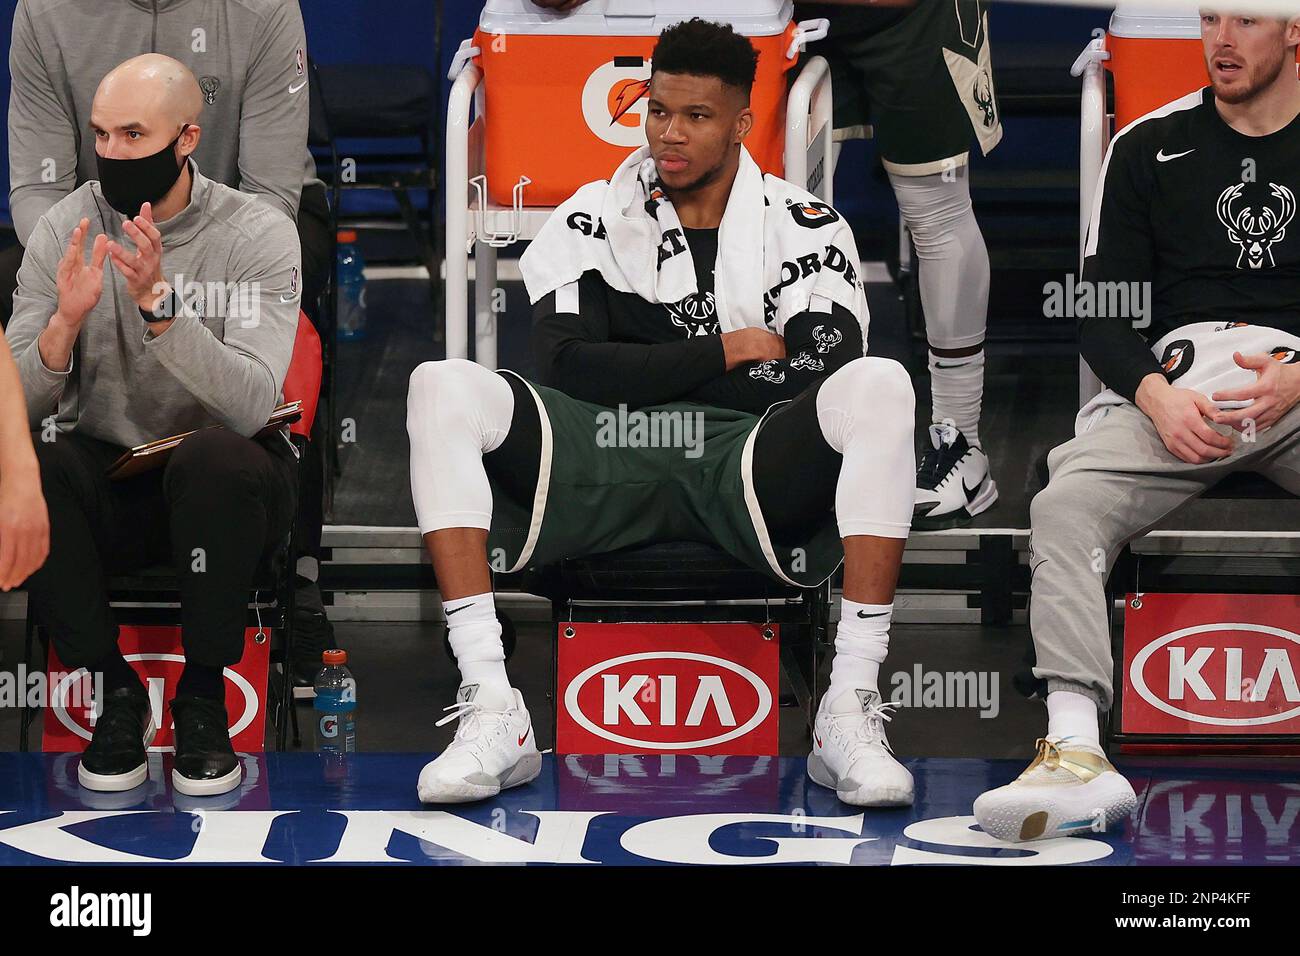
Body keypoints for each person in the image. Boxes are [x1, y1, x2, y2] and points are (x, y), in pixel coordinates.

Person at [407, 19, 918, 808]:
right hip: (607, 447)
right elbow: (567, 366)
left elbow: (815, 372)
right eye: (657, 111)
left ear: (744, 123)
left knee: (880, 385)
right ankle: (494, 706)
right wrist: (726, 350)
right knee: (441, 383)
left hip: (749, 461)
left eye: (697, 117)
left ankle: (845, 706)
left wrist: (639, 358)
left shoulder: (806, 227)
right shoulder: (592, 213)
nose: (668, 135)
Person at [974, 11, 1300, 843]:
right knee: (1066, 504)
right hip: (1180, 386)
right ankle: (1077, 752)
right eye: (1209, 19)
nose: (1221, 37)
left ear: (1295, 35)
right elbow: (1100, 313)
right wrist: (1155, 393)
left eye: (1248, 20)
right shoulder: (1151, 144)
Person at [4, 0, 334, 675]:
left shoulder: (263, 9)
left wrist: (169, 292)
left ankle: (294, 581)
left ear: (186, 136)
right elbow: (36, 185)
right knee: (23, 430)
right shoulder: (45, 11)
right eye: (104, 134)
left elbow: (271, 194)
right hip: (88, 233)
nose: (114, 150)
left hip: (231, 235)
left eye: (131, 133)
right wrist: (71, 295)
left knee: (238, 415)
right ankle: (106, 686)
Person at [794, 0, 1001, 528]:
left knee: (937, 211)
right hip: (780, 13)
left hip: (914, 15)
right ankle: (775, 434)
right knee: (776, 209)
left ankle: (961, 444)